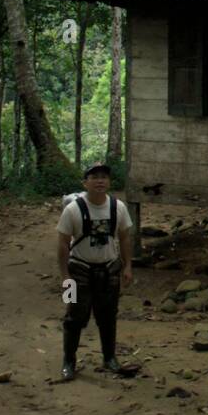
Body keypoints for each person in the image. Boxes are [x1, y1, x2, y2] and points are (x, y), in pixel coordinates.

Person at [56, 163, 133, 381]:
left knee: (108, 316)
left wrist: (128, 266)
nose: (100, 181)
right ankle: (68, 361)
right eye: (94, 177)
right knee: (74, 316)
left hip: (109, 270)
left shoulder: (118, 208)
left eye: (104, 177)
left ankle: (109, 358)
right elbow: (62, 243)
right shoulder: (72, 210)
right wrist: (64, 276)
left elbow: (125, 237)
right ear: (85, 183)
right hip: (77, 270)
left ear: (109, 182)